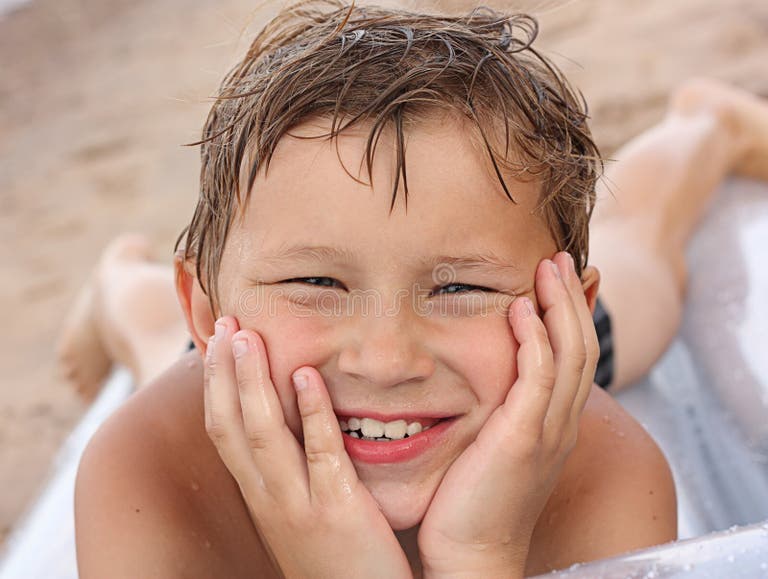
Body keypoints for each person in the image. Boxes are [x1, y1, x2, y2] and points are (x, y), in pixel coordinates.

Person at [66, 1, 768, 576]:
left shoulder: (608, 474)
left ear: (564, 318)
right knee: (165, 348)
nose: (387, 358)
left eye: (458, 286)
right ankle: (128, 292)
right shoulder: (147, 477)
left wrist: (478, 556)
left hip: (488, 396)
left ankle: (705, 129)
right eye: (314, 280)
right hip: (217, 398)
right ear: (209, 307)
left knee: (639, 273)